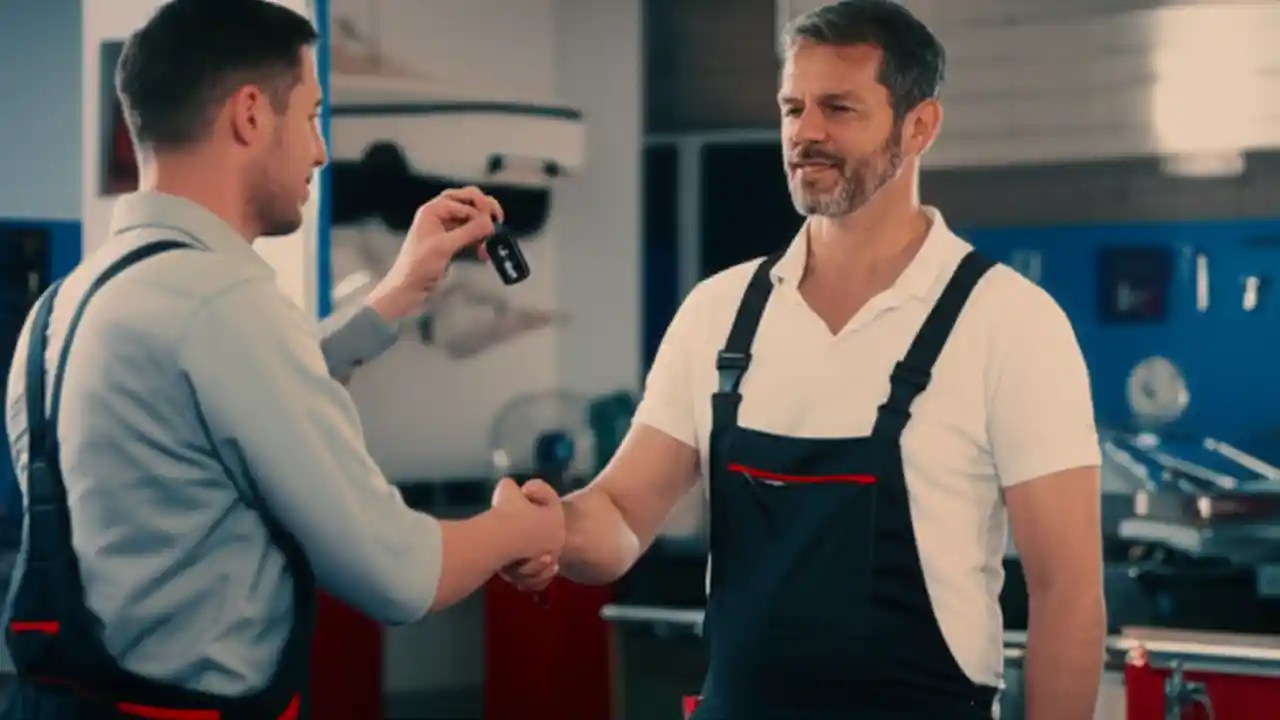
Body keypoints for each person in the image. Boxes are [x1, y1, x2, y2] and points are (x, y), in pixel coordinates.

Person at [501, 1, 1106, 718]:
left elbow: (1067, 592)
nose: (805, 133)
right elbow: (622, 514)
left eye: (838, 109)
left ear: (920, 127)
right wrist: (551, 530)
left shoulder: (1009, 323)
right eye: (793, 108)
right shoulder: (720, 314)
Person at [0, 1, 561, 718]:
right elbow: (400, 575)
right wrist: (520, 528)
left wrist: (394, 293)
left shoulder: (62, 309)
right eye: (311, 117)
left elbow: (227, 411)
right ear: (250, 115)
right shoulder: (226, 306)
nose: (320, 152)